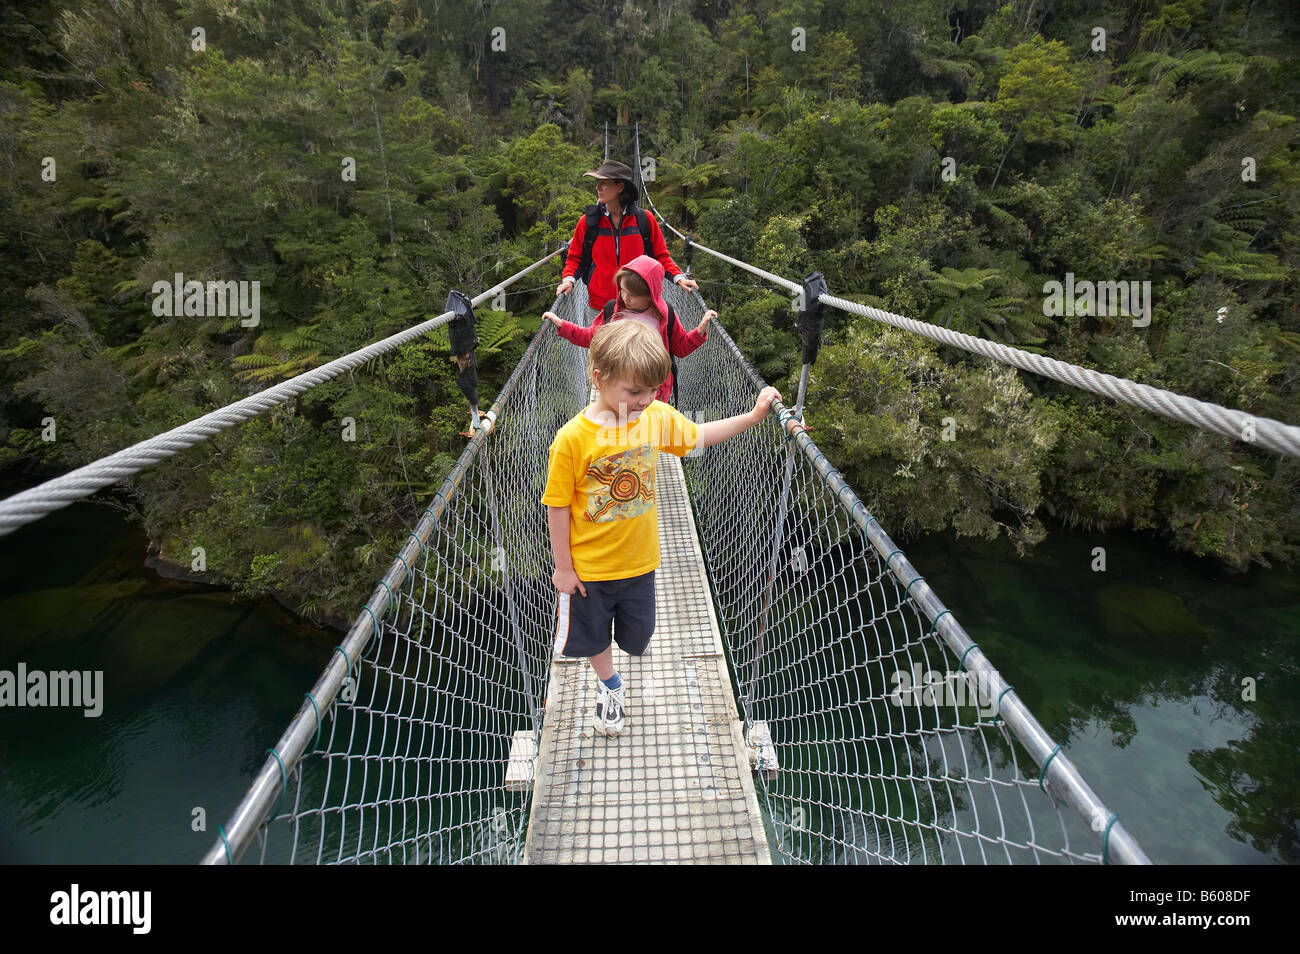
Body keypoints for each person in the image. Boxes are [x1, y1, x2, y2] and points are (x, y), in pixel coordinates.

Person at [541, 320, 780, 737]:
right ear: (598, 379)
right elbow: (558, 506)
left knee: (640, 633)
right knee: (595, 635)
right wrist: (563, 567)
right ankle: (609, 684)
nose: (644, 400)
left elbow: (701, 435)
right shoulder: (571, 440)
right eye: (634, 392)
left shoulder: (654, 417)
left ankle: (619, 664)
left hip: (640, 562)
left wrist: (755, 416)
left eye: (652, 390)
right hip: (589, 569)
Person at [544, 254, 714, 406]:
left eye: (632, 295)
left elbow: (680, 348)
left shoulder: (665, 315)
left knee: (648, 438)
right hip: (620, 391)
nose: (625, 297)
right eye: (622, 290)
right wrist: (562, 326)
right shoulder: (614, 312)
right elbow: (592, 337)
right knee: (625, 436)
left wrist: (699, 332)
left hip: (654, 396)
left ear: (650, 294)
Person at [555, 159, 698, 321]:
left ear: (620, 187)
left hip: (637, 308)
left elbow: (660, 257)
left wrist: (679, 278)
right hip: (599, 308)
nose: (598, 187)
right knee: (601, 347)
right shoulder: (588, 222)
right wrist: (569, 280)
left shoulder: (644, 220)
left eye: (604, 183)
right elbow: (575, 258)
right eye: (598, 182)